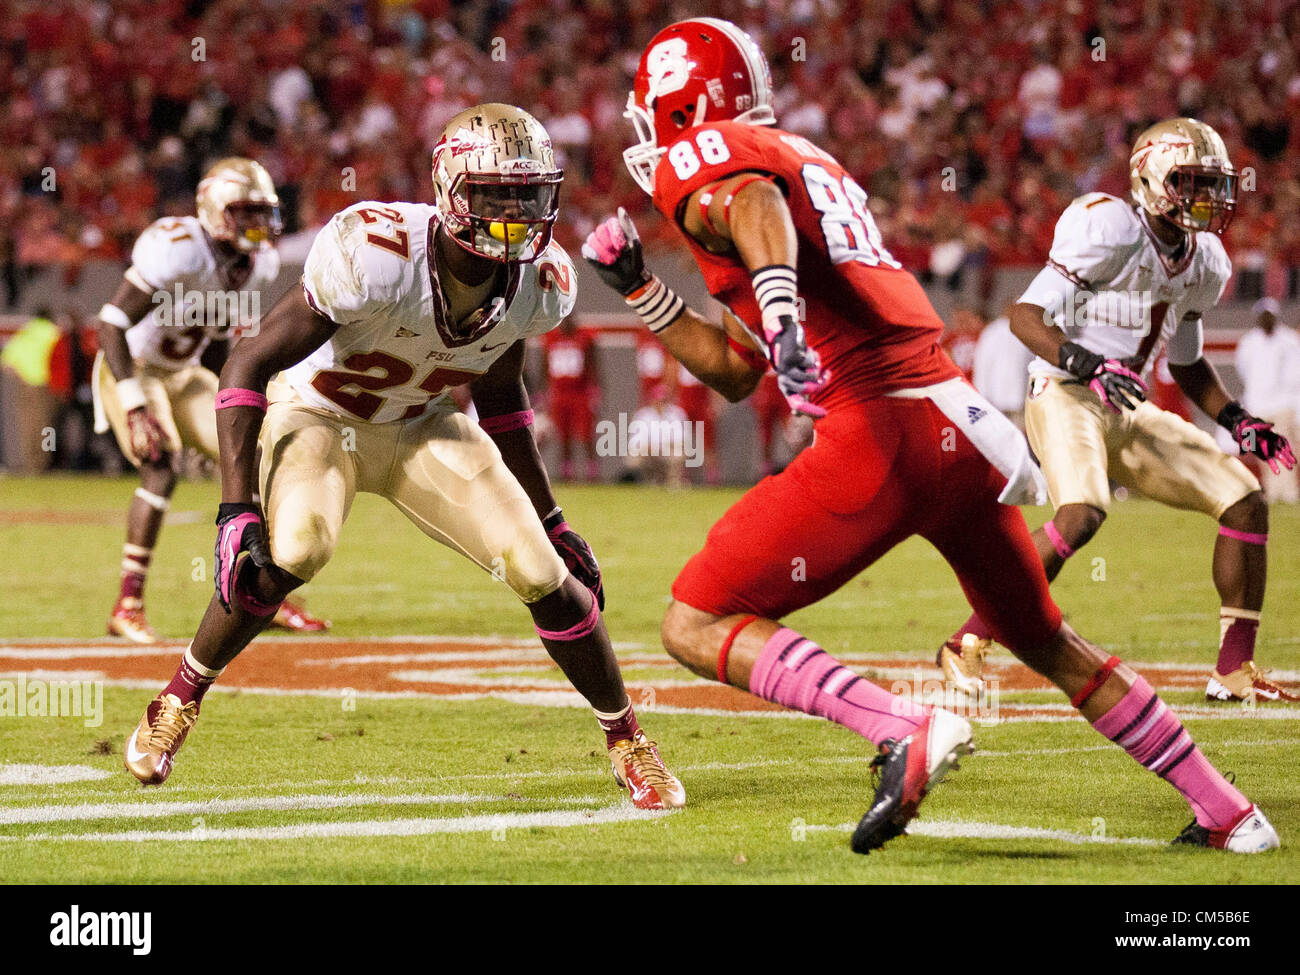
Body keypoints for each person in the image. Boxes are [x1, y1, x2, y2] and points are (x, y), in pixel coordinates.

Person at [584, 20, 1277, 853]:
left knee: (694, 619)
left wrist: (775, 305)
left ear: (687, 102)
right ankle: (1230, 810)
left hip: (883, 429)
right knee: (1044, 638)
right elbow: (738, 369)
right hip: (961, 430)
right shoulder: (810, 159)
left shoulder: (714, 161)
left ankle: (901, 724)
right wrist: (641, 292)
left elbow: (749, 202)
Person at [122, 105, 684, 812]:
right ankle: (178, 697)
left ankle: (629, 740)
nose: (513, 213)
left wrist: (554, 517)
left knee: (541, 564)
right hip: (321, 416)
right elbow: (247, 361)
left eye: (527, 194)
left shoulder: (543, 281)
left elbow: (502, 395)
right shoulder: (375, 251)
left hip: (422, 427)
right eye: (494, 193)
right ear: (451, 189)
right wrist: (237, 505)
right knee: (296, 546)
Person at [940, 119, 1297, 705]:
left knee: (1245, 499)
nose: (1208, 199)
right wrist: (1086, 364)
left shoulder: (1204, 258)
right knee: (1082, 514)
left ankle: (1234, 670)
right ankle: (966, 642)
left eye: (1214, 185)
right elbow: (1025, 316)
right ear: (1152, 179)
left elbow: (1187, 361)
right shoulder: (1108, 226)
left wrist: (1238, 419)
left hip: (1127, 407)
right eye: (1191, 182)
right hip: (1064, 391)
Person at [92, 158, 329, 642]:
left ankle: (263, 591)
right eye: (246, 213)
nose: (259, 226)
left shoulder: (258, 263)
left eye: (264, 214)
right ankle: (128, 604)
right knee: (161, 464)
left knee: (255, 454)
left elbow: (223, 342)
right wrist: (135, 404)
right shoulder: (178, 249)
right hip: (133, 368)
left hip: (184, 374)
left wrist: (235, 405)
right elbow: (111, 323)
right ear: (215, 210)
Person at [1235, 297, 1300, 503]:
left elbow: (1295, 374)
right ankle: (1272, 492)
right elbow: (1243, 370)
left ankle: (1289, 493)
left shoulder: (1289, 340)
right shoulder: (1249, 342)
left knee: (1285, 449)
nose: (1266, 320)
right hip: (1258, 404)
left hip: (1283, 403)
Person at [541, 316, 600, 480]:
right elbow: (544, 367)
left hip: (580, 392)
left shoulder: (583, 336)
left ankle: (592, 471)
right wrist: (543, 393)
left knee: (585, 434)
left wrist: (595, 391)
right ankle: (566, 472)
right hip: (560, 393)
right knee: (563, 436)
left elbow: (593, 365)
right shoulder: (551, 338)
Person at [971, 303, 1034, 430]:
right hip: (995, 398)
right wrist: (981, 394)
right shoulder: (992, 331)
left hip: (1019, 400)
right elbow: (982, 364)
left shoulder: (1026, 331)